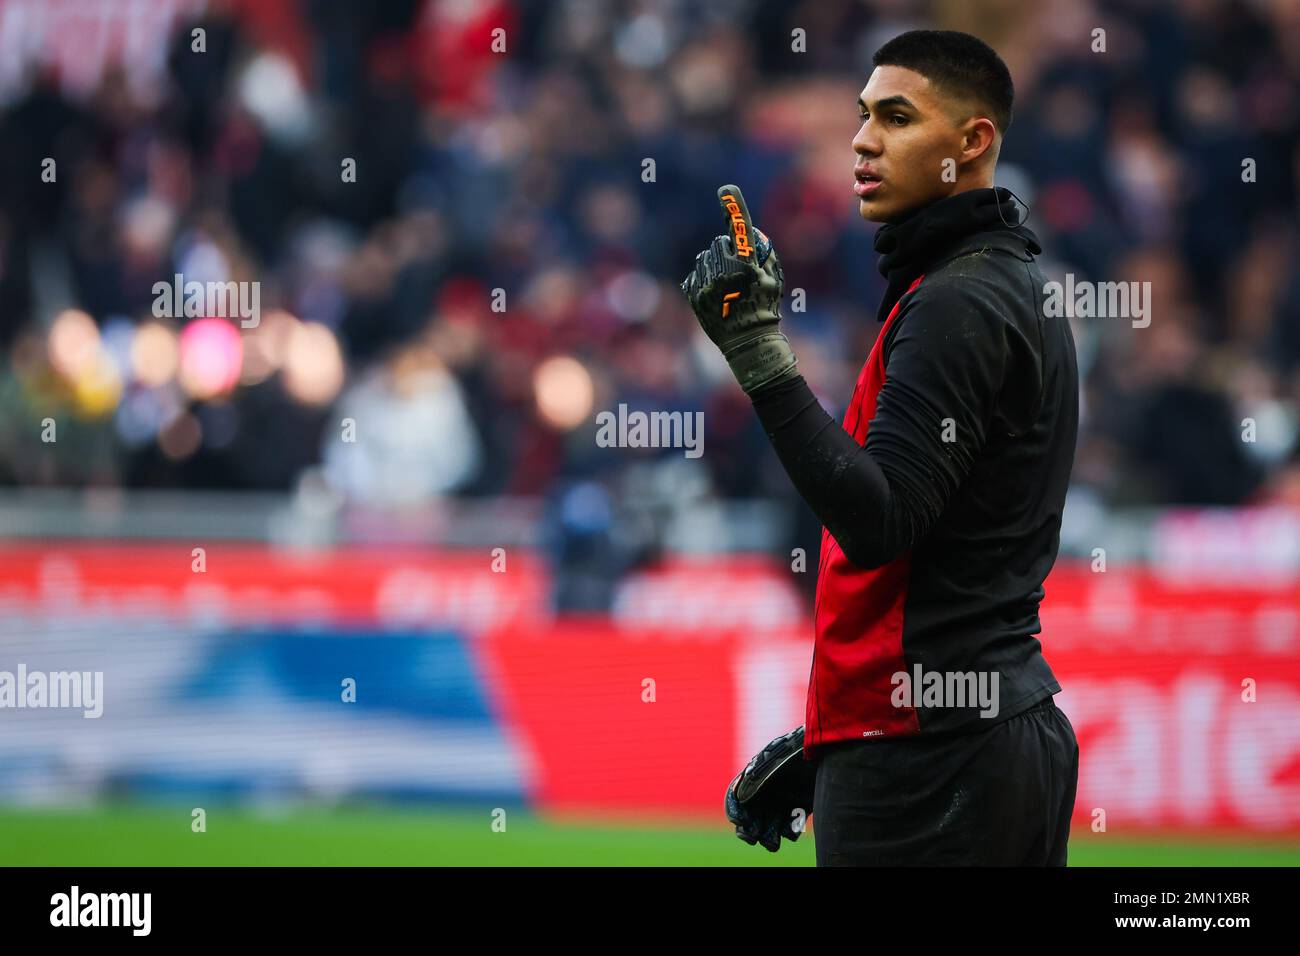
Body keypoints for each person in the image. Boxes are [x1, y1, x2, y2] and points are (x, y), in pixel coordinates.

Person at [684, 30, 1080, 866]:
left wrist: (758, 353)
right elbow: (942, 559)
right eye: (863, 116)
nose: (862, 140)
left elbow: (882, 522)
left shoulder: (959, 300)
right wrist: (839, 733)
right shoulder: (989, 284)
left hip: (937, 760)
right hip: (956, 733)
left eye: (896, 118)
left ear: (972, 142)